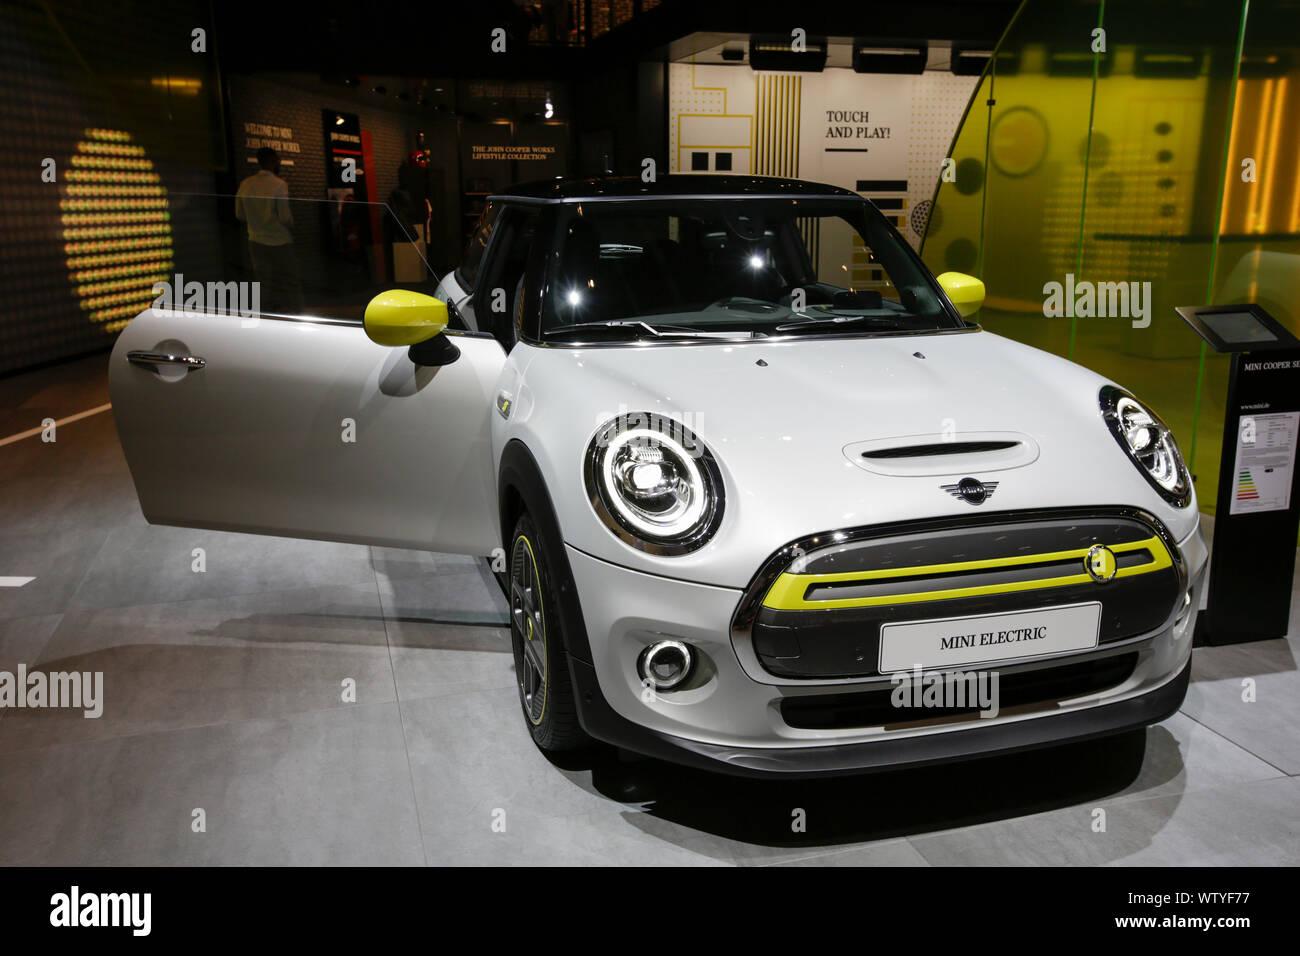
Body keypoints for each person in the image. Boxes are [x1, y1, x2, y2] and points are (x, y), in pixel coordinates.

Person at [235, 147, 305, 314]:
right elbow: (285, 217)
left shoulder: (246, 184)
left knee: (263, 281)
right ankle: (296, 312)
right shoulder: (279, 185)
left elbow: (239, 214)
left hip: (256, 240)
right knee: (290, 279)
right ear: (273, 161)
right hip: (280, 240)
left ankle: (267, 314)